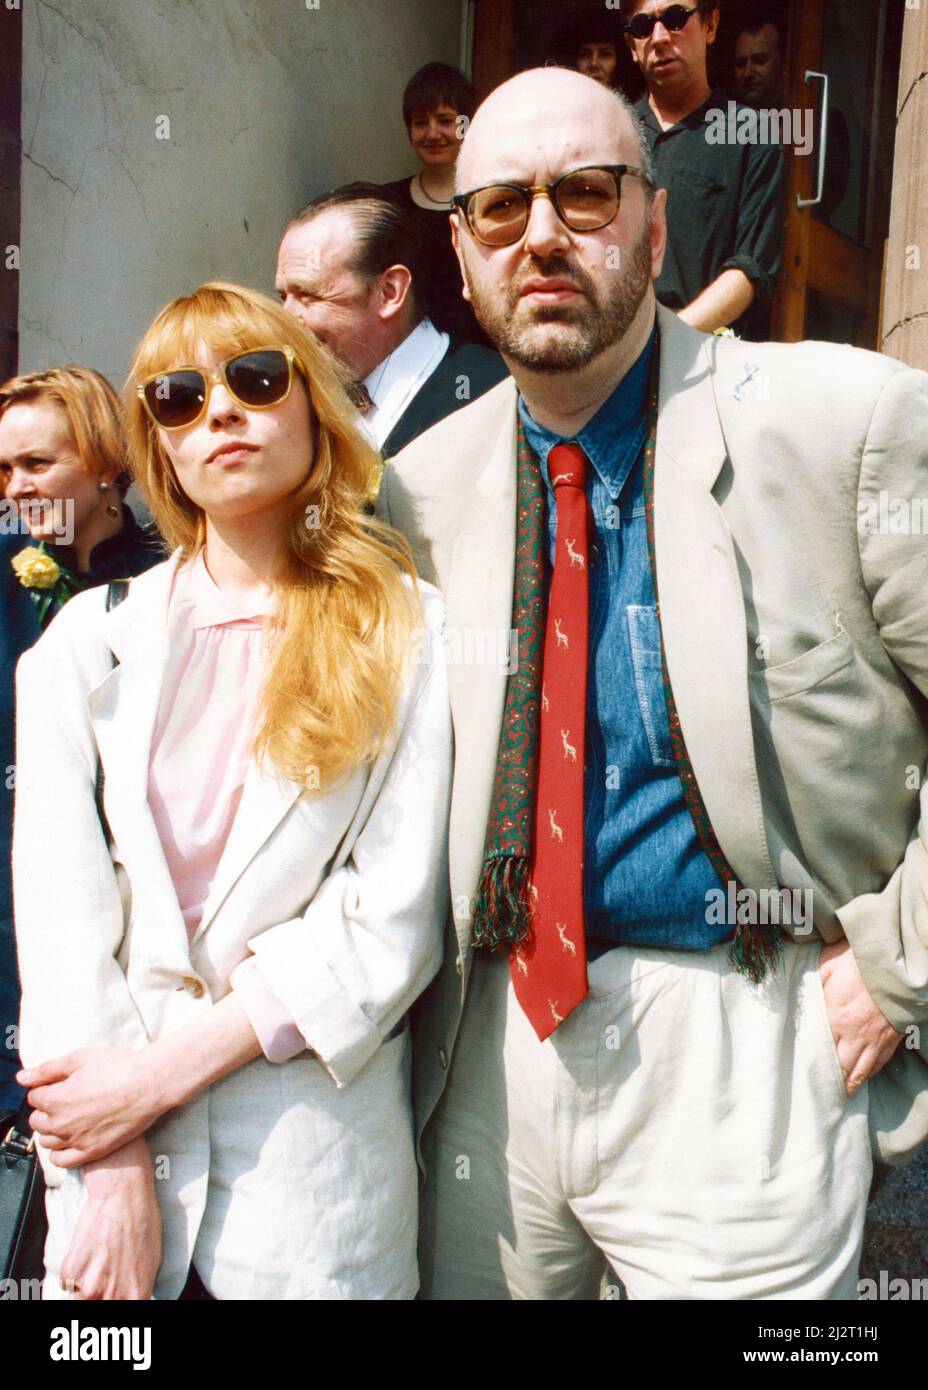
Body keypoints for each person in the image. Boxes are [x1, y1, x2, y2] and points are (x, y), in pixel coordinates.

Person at [376, 66, 928, 1300]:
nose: (542, 236)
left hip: (741, 1033)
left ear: (658, 221)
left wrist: (897, 965)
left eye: (584, 193)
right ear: (461, 256)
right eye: (499, 210)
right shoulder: (416, 490)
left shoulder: (845, 423)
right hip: (491, 1052)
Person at [13, 282, 452, 1300]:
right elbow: (62, 928)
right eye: (175, 397)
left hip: (308, 1196)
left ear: (314, 408)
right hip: (110, 1193)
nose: (217, 410)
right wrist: (115, 1161)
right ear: (159, 444)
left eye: (255, 379)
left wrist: (154, 1081)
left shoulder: (410, 627)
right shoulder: (82, 642)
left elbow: (389, 924)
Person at [0, 367, 162, 1127]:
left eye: (38, 464)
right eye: (5, 469)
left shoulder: (170, 584)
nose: (17, 486)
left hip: (124, 913)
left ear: (105, 465)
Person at [276, 184, 507, 457]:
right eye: (283, 297)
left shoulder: (494, 395)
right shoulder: (300, 409)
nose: (286, 320)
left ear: (390, 292)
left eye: (307, 295)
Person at [623, 0, 785, 336]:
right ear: (632, 46)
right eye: (642, 26)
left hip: (704, 353)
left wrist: (666, 344)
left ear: (710, 26)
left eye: (676, 18)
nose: (659, 37)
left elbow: (750, 270)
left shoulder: (751, 132)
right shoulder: (610, 131)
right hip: (612, 353)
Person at [381, 62, 488, 345]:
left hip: (483, 357)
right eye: (420, 122)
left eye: (444, 120)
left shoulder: (492, 203)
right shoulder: (387, 204)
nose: (432, 134)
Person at [733, 9, 785, 109]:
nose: (747, 73)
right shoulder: (722, 119)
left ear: (784, 65)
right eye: (740, 64)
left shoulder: (800, 114)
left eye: (759, 60)